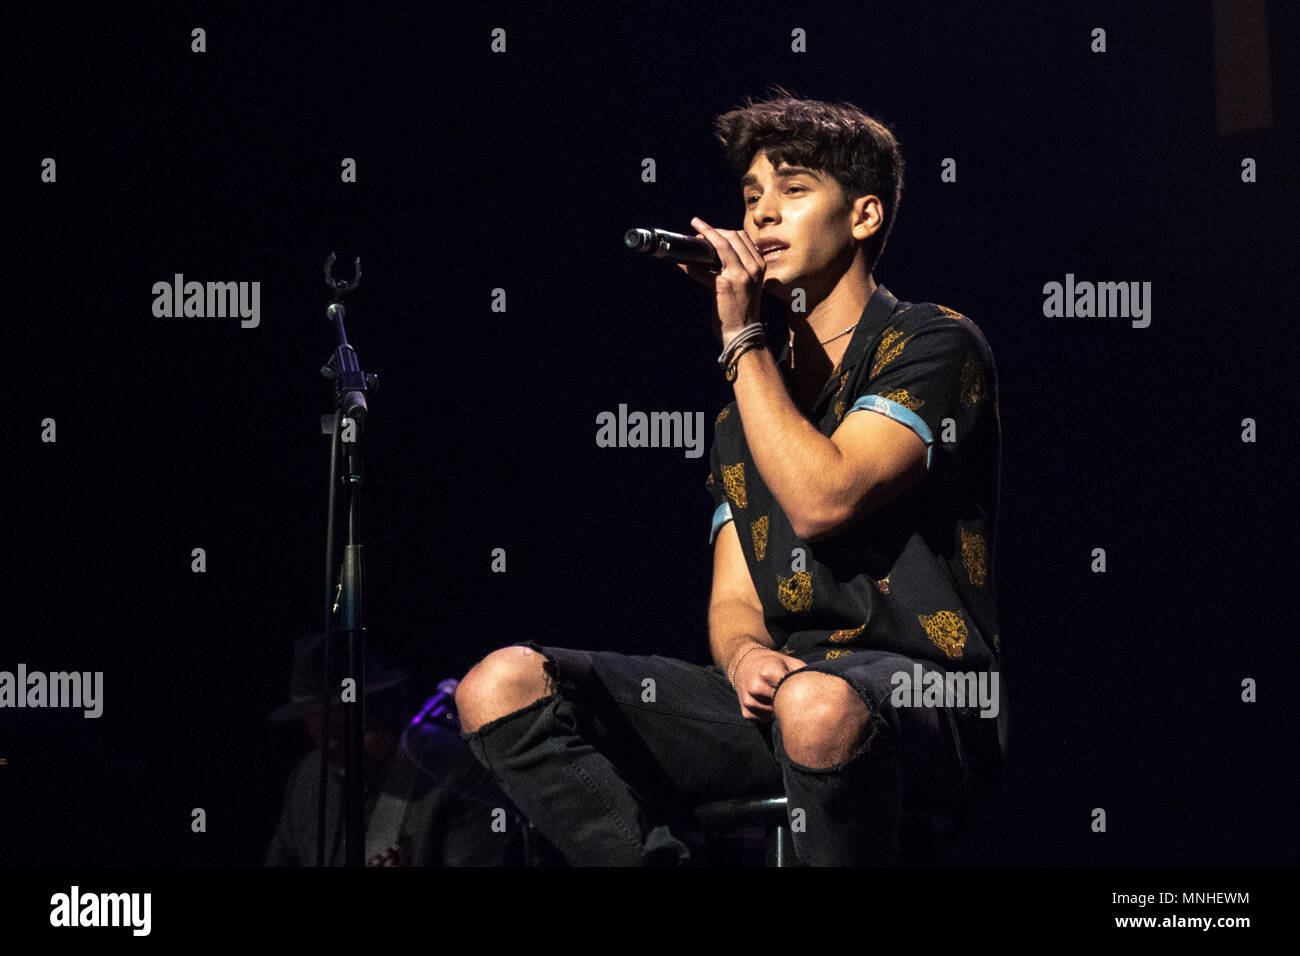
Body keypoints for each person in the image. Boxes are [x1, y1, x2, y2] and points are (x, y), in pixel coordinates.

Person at [455, 87, 1007, 866]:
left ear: (864, 216)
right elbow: (735, 600)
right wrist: (746, 655)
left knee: (816, 705)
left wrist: (742, 337)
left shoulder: (933, 343)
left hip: (924, 696)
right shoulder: (743, 411)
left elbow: (824, 499)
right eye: (750, 198)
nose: (762, 215)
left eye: (794, 190)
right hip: (786, 697)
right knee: (499, 685)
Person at [265, 632, 521, 866]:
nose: (330, 742)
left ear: (383, 703)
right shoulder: (307, 778)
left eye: (342, 720)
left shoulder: (456, 770)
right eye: (316, 727)